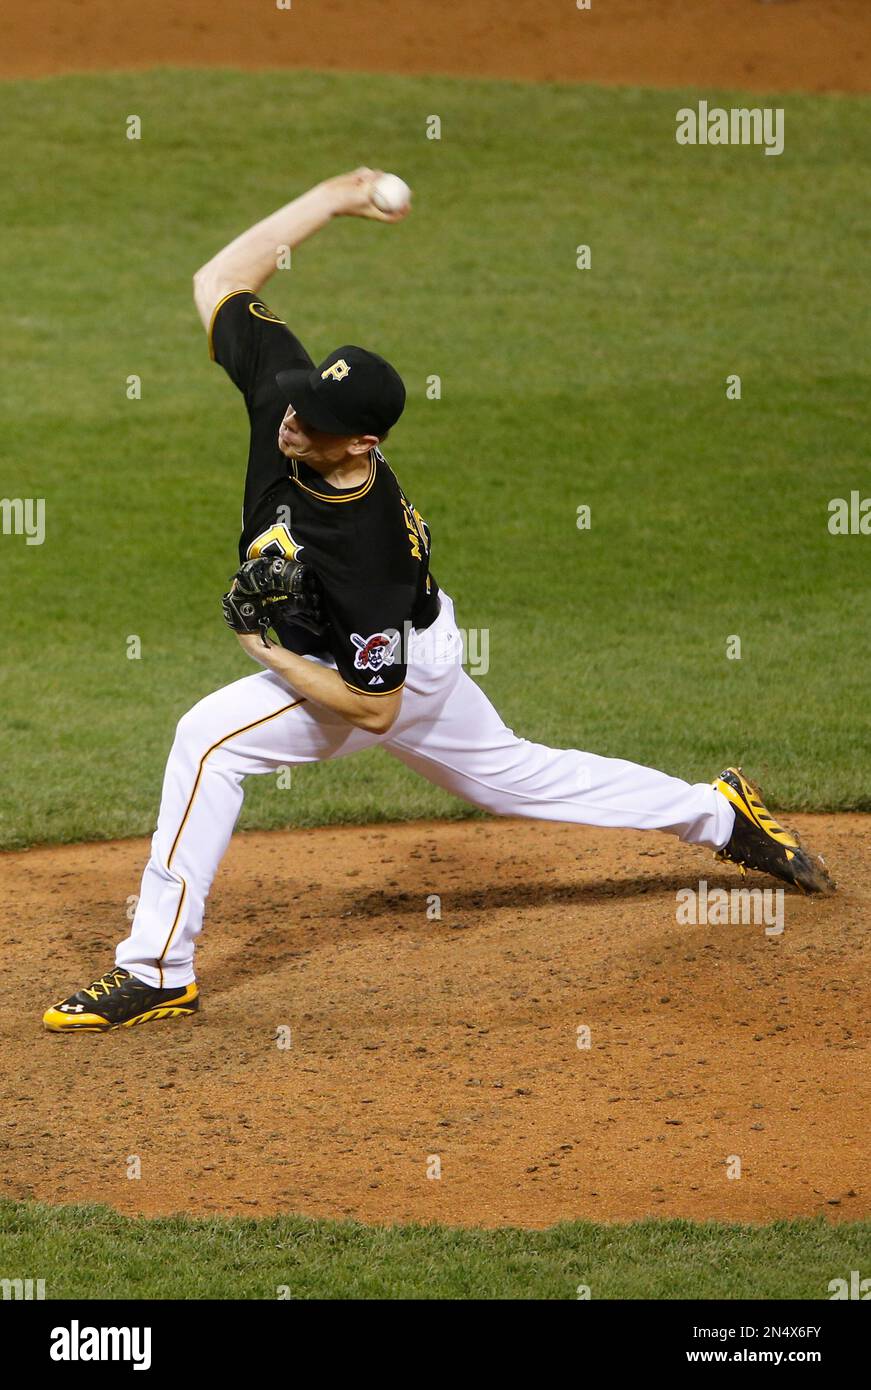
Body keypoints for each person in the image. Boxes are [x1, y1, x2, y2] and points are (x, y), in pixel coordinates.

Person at [43, 168, 832, 1033]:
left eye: (313, 421)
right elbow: (219, 280)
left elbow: (372, 712)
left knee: (207, 743)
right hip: (411, 643)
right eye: (296, 405)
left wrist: (260, 648)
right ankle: (718, 814)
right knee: (513, 778)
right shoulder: (289, 399)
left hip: (391, 673)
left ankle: (157, 969)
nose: (288, 424)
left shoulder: (365, 547)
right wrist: (332, 200)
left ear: (364, 441)